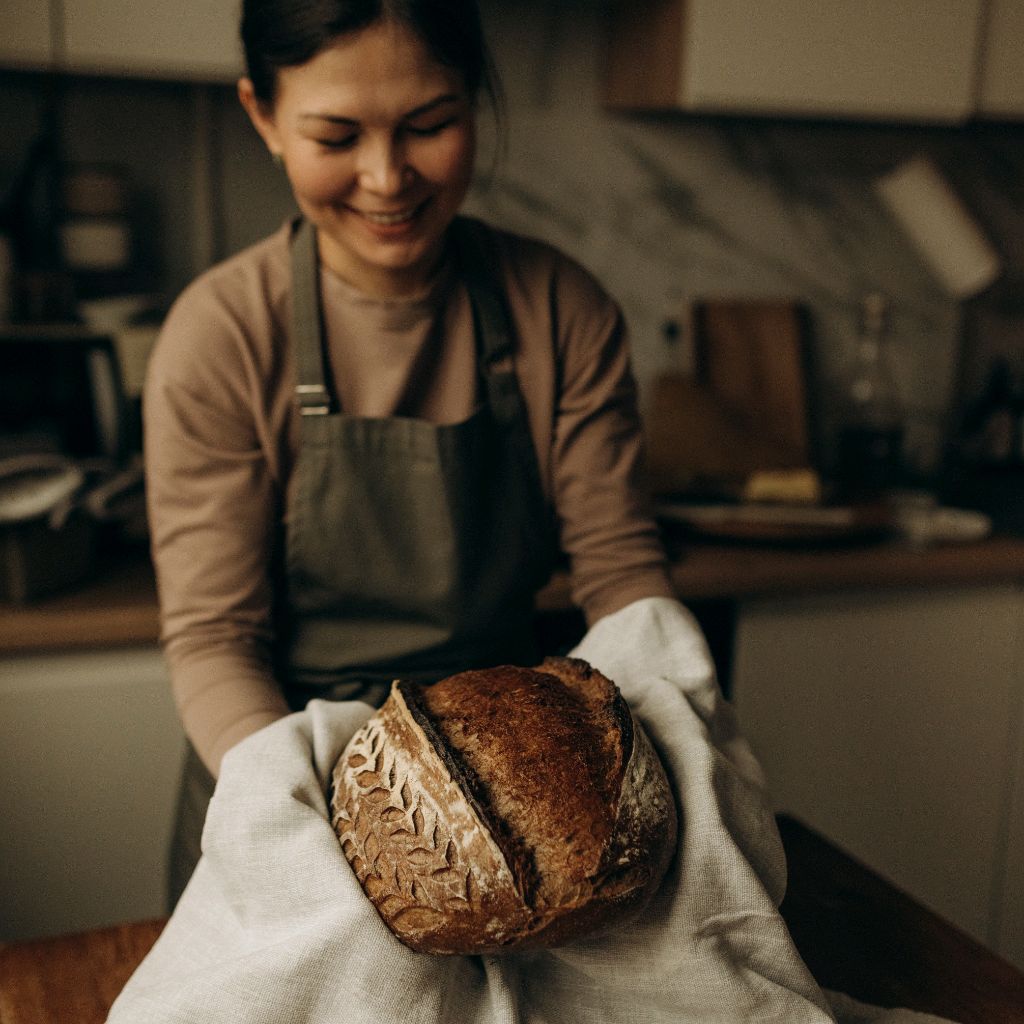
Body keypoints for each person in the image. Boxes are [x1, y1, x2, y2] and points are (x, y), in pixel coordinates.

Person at [144, 0, 677, 906]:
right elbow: (214, 639)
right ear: (263, 116)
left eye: (430, 125)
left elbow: (622, 571)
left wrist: (686, 726)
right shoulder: (223, 334)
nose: (387, 178)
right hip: (285, 778)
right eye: (336, 135)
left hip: (517, 794)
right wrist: (312, 824)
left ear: (475, 104)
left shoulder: (560, 307)